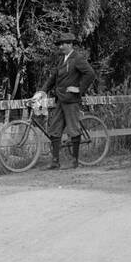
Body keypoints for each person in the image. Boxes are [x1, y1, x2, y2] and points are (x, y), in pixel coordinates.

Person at [40, 32, 96, 170]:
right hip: (60, 100)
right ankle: (55, 162)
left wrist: (79, 89)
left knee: (73, 130)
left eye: (63, 44)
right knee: (54, 129)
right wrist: (42, 91)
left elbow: (90, 74)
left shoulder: (77, 58)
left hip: (71, 101)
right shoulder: (61, 60)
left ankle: (74, 161)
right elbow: (53, 78)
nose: (60, 46)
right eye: (59, 44)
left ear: (70, 44)